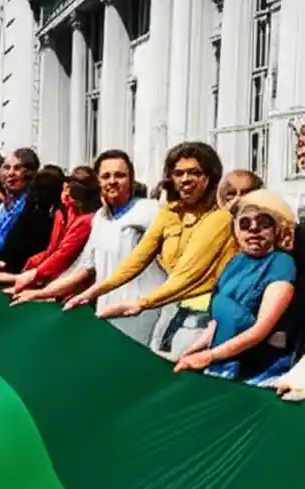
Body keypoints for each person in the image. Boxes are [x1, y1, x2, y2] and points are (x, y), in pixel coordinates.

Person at [67, 142, 236, 358]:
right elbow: (137, 258)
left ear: (210, 177)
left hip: (203, 319)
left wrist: (140, 304)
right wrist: (93, 292)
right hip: (170, 314)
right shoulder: (169, 213)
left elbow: (187, 274)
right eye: (178, 173)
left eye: (195, 172)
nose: (186, 179)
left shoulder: (219, 219)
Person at [12, 150, 165, 346]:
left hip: (143, 316)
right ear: (98, 182)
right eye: (106, 176)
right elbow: (84, 269)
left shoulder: (150, 210)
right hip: (106, 315)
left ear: (131, 179)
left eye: (120, 175)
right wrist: (40, 294)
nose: (112, 181)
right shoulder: (100, 218)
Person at [175, 190, 296, 386]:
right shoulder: (234, 263)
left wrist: (209, 356)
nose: (254, 229)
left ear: (276, 230)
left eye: (264, 223)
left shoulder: (281, 263)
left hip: (256, 364)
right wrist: (192, 351)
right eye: (245, 224)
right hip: (221, 357)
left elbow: (259, 330)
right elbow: (217, 321)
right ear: (236, 231)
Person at [0, 166, 99, 293]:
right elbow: (52, 249)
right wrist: (33, 263)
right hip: (50, 276)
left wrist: (35, 274)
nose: (66, 194)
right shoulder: (62, 213)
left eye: (70, 189)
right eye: (64, 189)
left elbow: (64, 254)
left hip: (71, 283)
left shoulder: (87, 219)